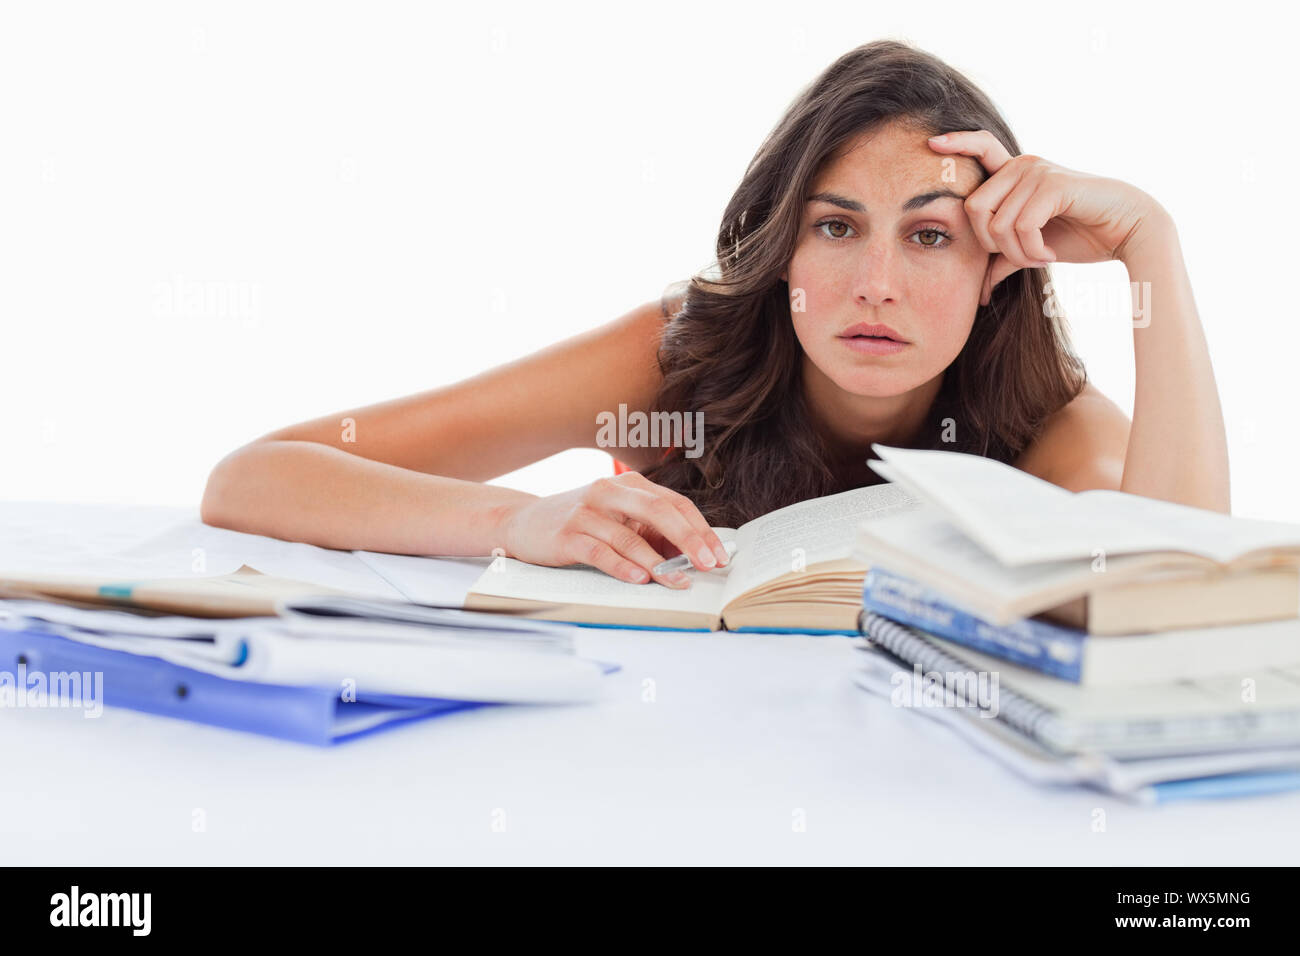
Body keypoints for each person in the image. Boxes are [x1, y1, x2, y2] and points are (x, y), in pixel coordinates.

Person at [200, 40, 1229, 590]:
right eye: (834, 228)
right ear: (782, 249)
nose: (875, 282)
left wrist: (1154, 241)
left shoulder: (1045, 411)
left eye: (927, 236)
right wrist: (515, 520)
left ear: (997, 266)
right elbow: (255, 475)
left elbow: (1177, 595)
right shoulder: (685, 355)